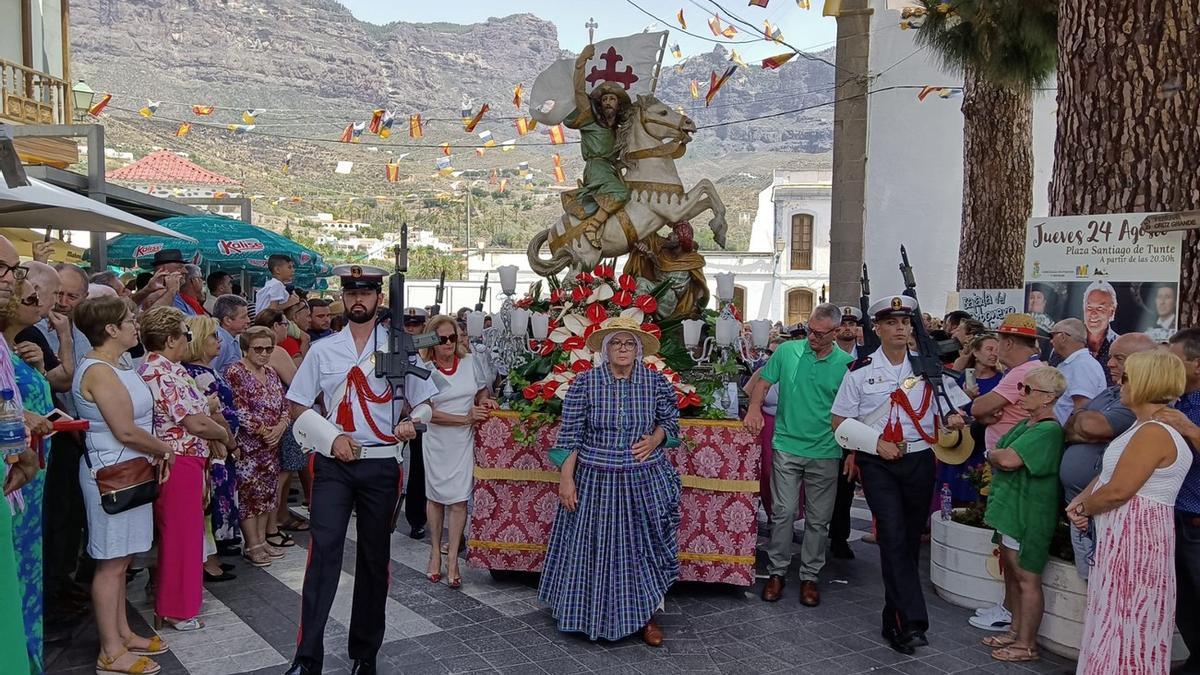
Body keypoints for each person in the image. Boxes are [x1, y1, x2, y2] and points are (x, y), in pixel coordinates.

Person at [284, 264, 431, 675]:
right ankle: (306, 657)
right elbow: (298, 404)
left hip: (381, 464)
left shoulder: (400, 346)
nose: (358, 300)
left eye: (366, 294)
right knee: (323, 555)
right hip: (333, 463)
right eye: (351, 294)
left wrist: (412, 422)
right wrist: (331, 439)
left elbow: (425, 402)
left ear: (379, 300)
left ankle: (365, 654)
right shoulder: (323, 349)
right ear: (343, 299)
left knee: (373, 559)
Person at [831, 295, 969, 655]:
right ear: (876, 328)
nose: (899, 328)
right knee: (891, 536)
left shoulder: (926, 367)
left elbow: (953, 407)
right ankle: (911, 622)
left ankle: (892, 617)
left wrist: (954, 417)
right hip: (879, 463)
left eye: (904, 322)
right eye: (891, 323)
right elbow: (839, 423)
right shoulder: (860, 371)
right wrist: (876, 445)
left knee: (906, 542)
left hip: (920, 459)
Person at [538, 316, 681, 646]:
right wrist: (566, 480)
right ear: (605, 349)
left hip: (644, 479)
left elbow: (670, 421)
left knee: (643, 549)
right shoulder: (584, 384)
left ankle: (648, 616)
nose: (623, 349)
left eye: (629, 343)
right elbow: (571, 435)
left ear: (638, 349)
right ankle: (588, 615)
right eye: (616, 343)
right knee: (597, 550)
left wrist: (656, 439)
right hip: (596, 479)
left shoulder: (655, 382)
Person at [1068, 350, 1192, 675]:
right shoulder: (1143, 427)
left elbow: (1119, 490)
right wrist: (1084, 501)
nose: (1119, 383)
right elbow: (1109, 477)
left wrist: (1084, 507)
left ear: (1142, 382)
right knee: (1117, 621)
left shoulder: (1154, 432)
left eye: (1125, 377)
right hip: (1125, 540)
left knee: (1128, 624)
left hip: (1136, 545)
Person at [73, 296, 174, 675]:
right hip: (111, 473)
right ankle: (110, 650)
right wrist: (166, 451)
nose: (136, 324)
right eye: (129, 320)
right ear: (111, 330)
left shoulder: (117, 363)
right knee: (111, 564)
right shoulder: (99, 370)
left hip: (130, 469)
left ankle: (122, 632)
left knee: (123, 557)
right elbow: (125, 429)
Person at [744, 303, 852, 606]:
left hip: (826, 450)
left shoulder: (846, 364)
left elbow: (852, 413)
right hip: (787, 445)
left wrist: (852, 452)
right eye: (809, 331)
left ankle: (809, 577)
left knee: (818, 520)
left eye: (820, 334)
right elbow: (763, 382)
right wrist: (754, 408)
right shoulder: (788, 352)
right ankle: (777, 572)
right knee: (783, 512)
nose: (812, 338)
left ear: (835, 332)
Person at [138, 306, 231, 631]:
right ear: (170, 338)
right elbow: (192, 421)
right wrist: (222, 434)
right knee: (182, 536)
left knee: (185, 534)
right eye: (186, 334)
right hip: (178, 460)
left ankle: (176, 604)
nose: (189, 341)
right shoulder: (163, 371)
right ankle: (177, 608)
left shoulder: (162, 368)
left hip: (183, 458)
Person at [981, 366, 1066, 663]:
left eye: (1027, 389)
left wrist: (992, 456)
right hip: (1012, 510)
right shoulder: (1029, 424)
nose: (1020, 394)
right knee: (1014, 576)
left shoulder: (1048, 430)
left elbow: (1006, 457)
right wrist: (995, 455)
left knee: (1027, 577)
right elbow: (1000, 451)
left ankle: (1026, 644)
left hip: (1029, 513)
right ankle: (1016, 630)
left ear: (1047, 398)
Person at [1057, 332, 1156, 581]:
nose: (1110, 364)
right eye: (1110, 357)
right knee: (1091, 586)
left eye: (1119, 358)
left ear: (1143, 363)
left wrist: (1082, 423)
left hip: (1103, 515)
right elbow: (1069, 427)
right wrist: (1082, 423)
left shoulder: (1140, 402)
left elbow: (1092, 426)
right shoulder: (1112, 393)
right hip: (1081, 511)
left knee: (1107, 586)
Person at [418, 315, 495, 588]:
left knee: (460, 500)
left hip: (464, 438)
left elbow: (483, 391)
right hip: (438, 438)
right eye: (442, 339)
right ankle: (434, 553)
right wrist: (465, 418)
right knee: (436, 497)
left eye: (453, 337)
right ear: (431, 340)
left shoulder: (470, 362)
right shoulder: (424, 368)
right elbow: (426, 411)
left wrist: (483, 406)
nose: (449, 343)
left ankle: (451, 559)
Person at [4, 278, 53, 671]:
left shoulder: (14, 351)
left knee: (24, 573)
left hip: (30, 480)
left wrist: (38, 366)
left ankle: (27, 655)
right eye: (31, 297)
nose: (38, 304)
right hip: (13, 478)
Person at [181, 315, 241, 580]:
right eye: (212, 337)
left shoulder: (208, 370)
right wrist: (229, 441)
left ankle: (212, 556)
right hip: (213, 448)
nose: (218, 341)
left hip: (220, 446)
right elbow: (211, 415)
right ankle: (207, 561)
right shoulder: (196, 374)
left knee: (215, 504)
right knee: (211, 504)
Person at [226, 325, 289, 568]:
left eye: (268, 348)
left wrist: (281, 426)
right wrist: (264, 431)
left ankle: (262, 540)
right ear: (245, 349)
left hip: (272, 445)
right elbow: (237, 409)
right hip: (249, 446)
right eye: (258, 349)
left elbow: (284, 402)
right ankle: (252, 543)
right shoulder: (236, 372)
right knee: (250, 495)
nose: (264, 353)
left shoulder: (271, 372)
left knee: (267, 494)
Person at [561, 43, 633, 247]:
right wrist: (581, 61)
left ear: (618, 104)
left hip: (610, 168)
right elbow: (579, 91)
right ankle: (593, 226)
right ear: (600, 104)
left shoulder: (617, 129)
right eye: (605, 99)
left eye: (613, 99)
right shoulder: (591, 120)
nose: (609, 102)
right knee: (621, 193)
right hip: (596, 168)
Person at [1158, 327, 1200, 670]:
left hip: (1197, 521)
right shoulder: (1180, 399)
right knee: (1184, 601)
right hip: (1177, 517)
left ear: (1197, 364)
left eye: (1175, 361)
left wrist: (1189, 429)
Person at [970, 314, 1046, 454]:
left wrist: (985, 415)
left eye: (999, 342)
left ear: (1008, 343)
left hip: (1007, 453)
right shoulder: (1032, 368)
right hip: (1014, 450)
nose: (997, 349)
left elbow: (977, 408)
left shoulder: (1022, 372)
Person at [402, 306, 430, 539]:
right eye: (407, 324)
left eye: (416, 325)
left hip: (425, 414)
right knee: (396, 467)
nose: (411, 329)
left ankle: (417, 518)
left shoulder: (430, 350)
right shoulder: (393, 348)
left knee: (420, 468)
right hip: (397, 413)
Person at [1048, 318, 1107, 424]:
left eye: (1052, 336)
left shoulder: (1082, 365)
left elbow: (1082, 408)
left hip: (1067, 435)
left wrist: (1068, 435)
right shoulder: (1075, 363)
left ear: (1062, 337)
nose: (1051, 341)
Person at [1082, 280, 1120, 381]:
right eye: (1089, 308)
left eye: (1100, 308)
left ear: (1112, 312)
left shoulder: (1121, 346)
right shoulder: (1067, 344)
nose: (1093, 314)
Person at [211, 294, 249, 376]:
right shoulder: (219, 342)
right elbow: (210, 372)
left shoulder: (235, 337)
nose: (248, 320)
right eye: (243, 317)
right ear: (227, 320)